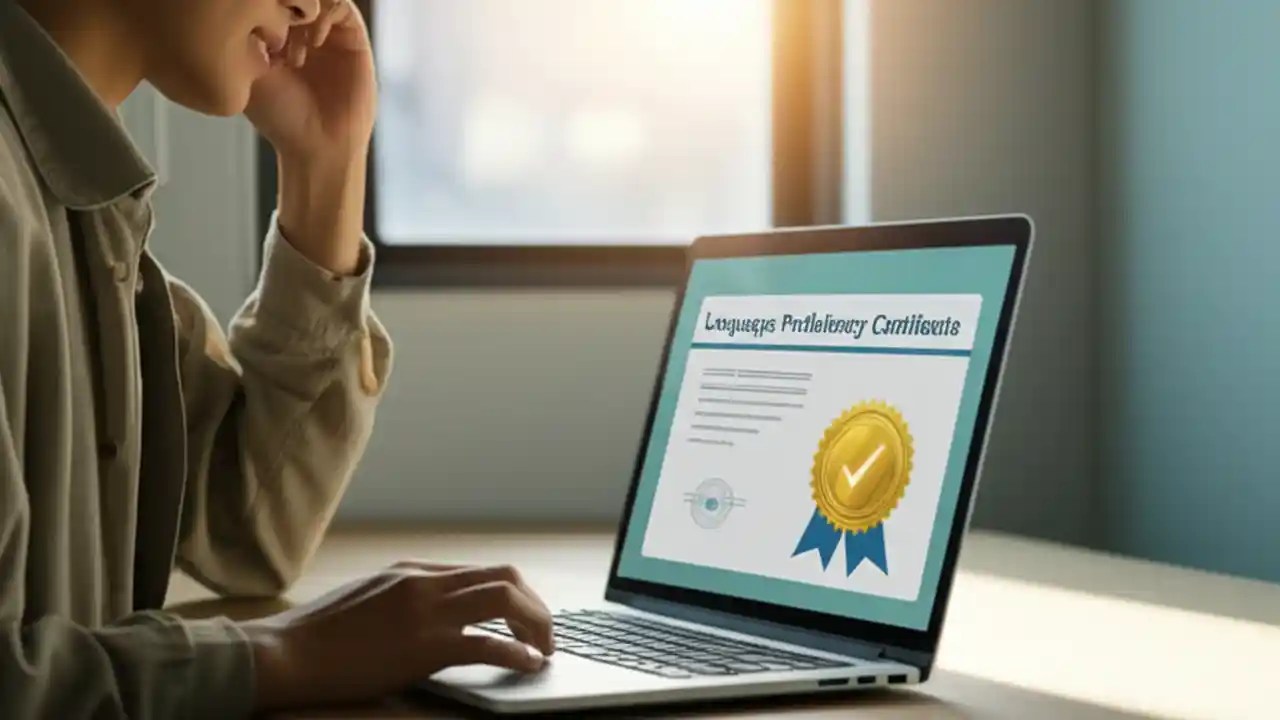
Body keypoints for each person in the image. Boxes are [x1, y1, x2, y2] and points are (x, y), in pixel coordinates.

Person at [0, 0, 556, 717]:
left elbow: (248, 530)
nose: (317, 7)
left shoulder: (78, 208)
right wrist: (292, 650)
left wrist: (325, 160)